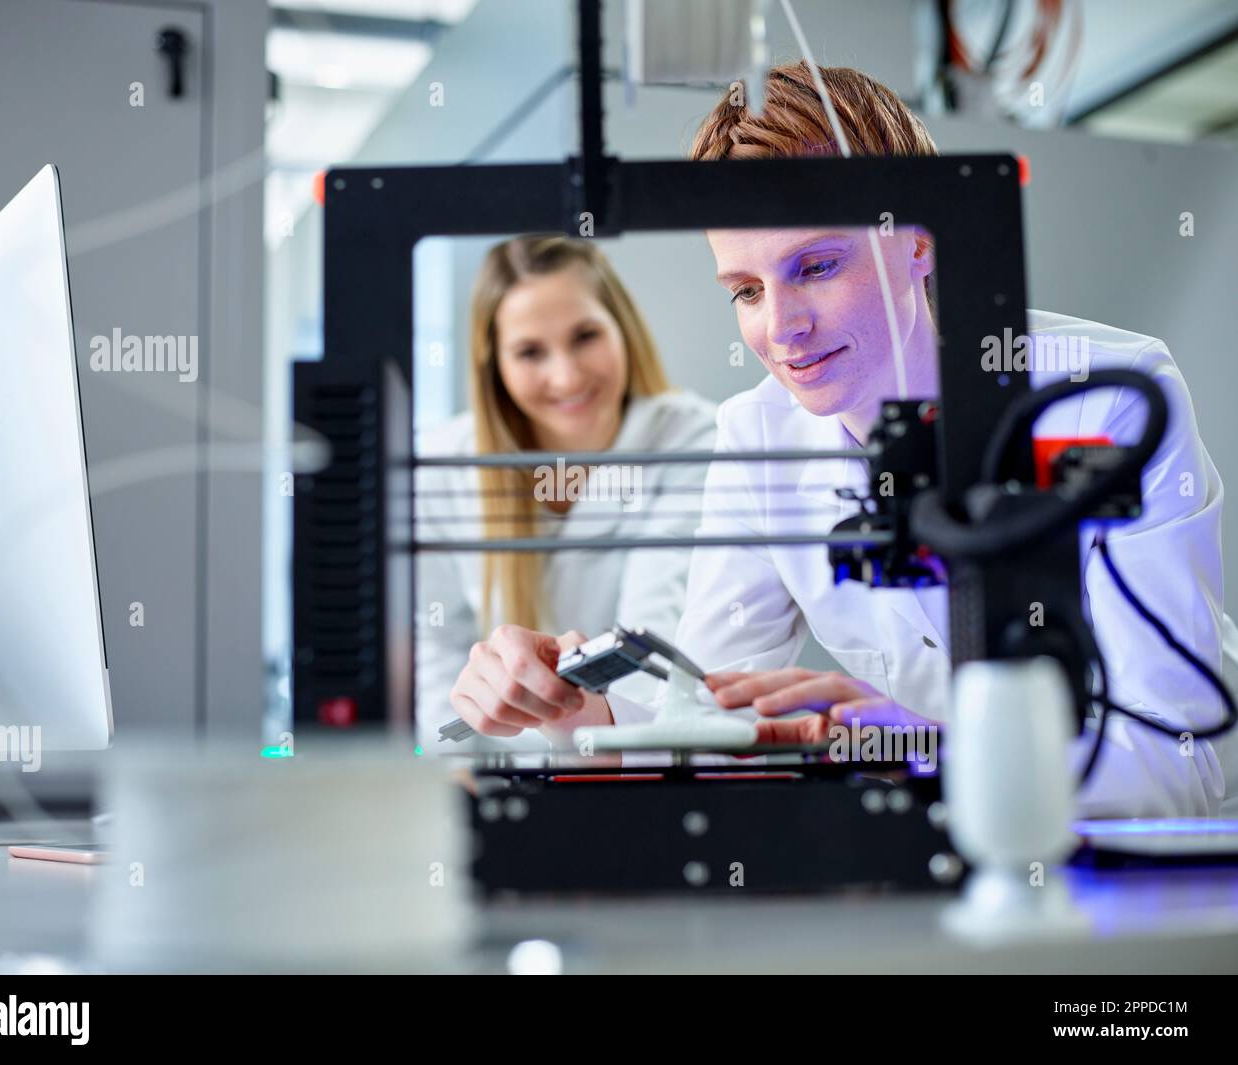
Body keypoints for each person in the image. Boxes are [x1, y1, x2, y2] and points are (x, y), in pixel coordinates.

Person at [444, 64, 1237, 818]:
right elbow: (712, 724)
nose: (780, 326)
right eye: (747, 292)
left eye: (817, 265)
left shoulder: (1112, 397)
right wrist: (583, 711)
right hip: (931, 879)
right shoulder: (757, 437)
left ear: (920, 237)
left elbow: (1190, 756)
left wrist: (931, 748)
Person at [416, 235, 716, 751]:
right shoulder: (444, 465)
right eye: (530, 351)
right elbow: (433, 656)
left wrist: (577, 742)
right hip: (494, 778)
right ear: (495, 366)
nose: (567, 375)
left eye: (585, 336)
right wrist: (464, 768)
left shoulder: (692, 440)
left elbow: (651, 646)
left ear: (622, 329)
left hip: (641, 765)